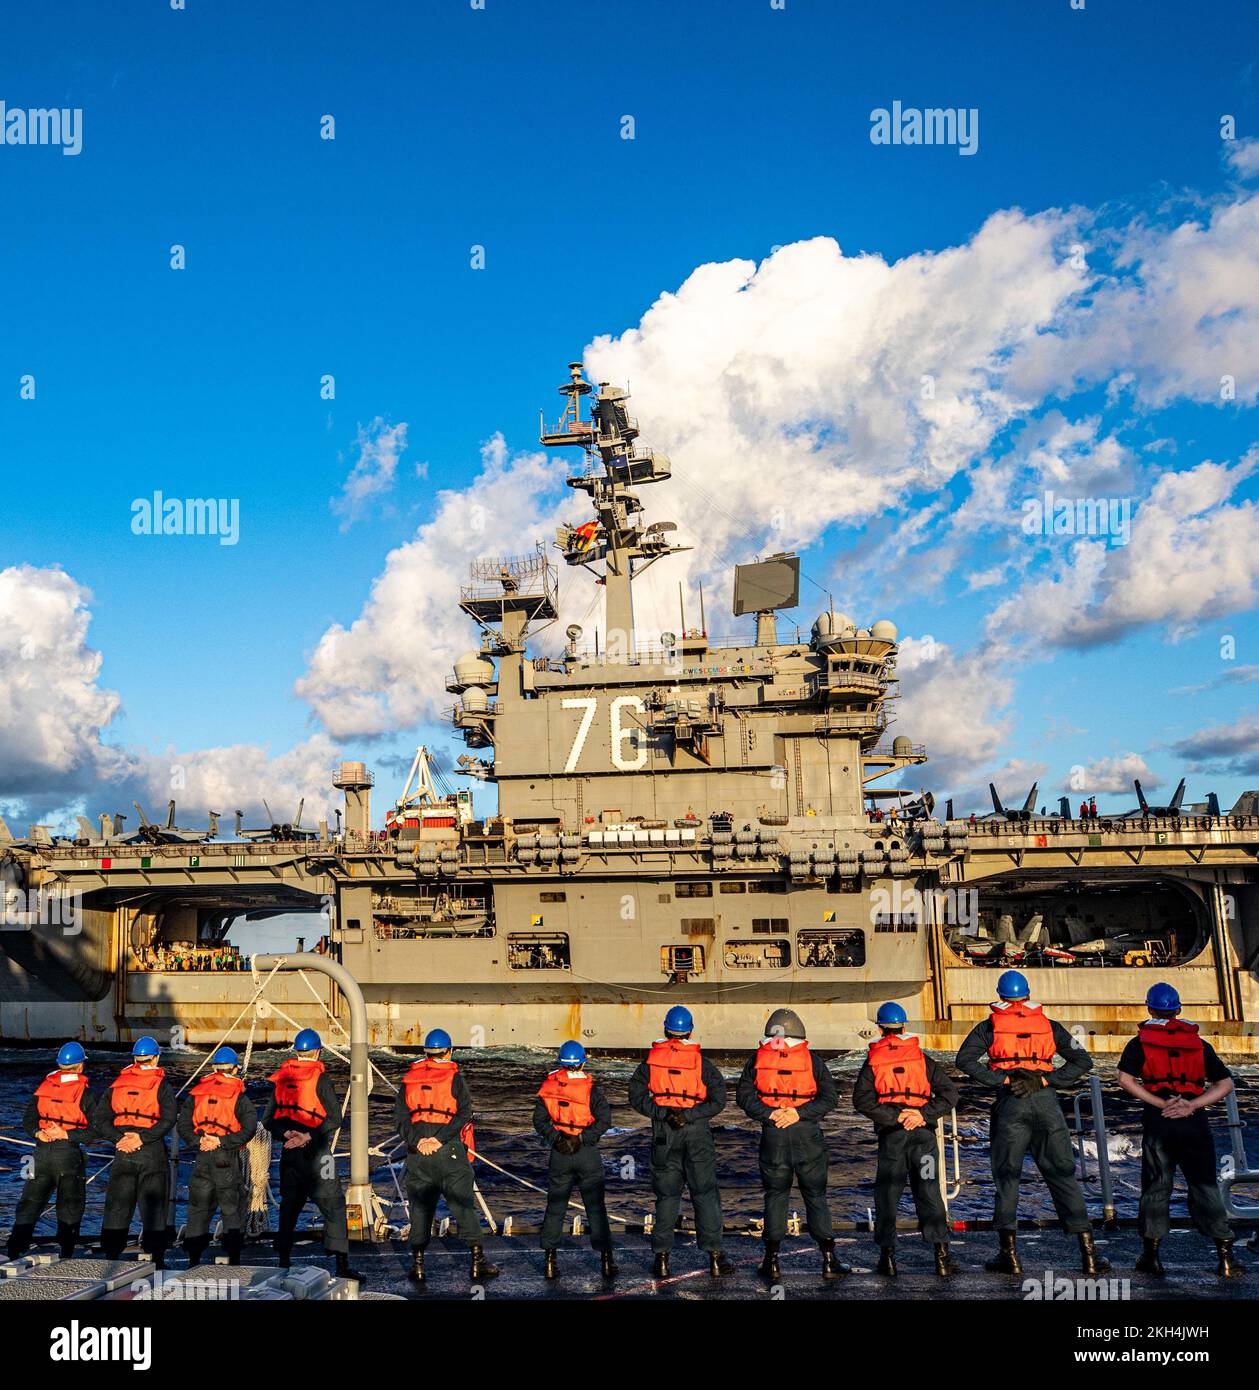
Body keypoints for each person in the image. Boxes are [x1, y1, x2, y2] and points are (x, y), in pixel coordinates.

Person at [957, 969, 1108, 1275]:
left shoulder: (989, 1027)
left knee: (1007, 1177)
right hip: (1046, 1103)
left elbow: (965, 1060)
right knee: (1063, 1175)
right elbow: (1082, 1061)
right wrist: (1045, 1079)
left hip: (1011, 1102)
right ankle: (1089, 1254)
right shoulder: (1049, 1026)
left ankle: (1009, 1256)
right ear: (1027, 995)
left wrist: (1004, 1078)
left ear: (1000, 996)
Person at [1117, 983, 1241, 1277]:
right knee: (1204, 1186)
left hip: (1160, 1121)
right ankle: (1225, 1256)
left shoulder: (1140, 1043)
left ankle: (1152, 1258)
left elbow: (1125, 1080)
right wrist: (1192, 1105)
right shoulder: (1198, 1044)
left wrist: (1160, 1102)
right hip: (1194, 1122)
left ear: (1150, 1009)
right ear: (1179, 1009)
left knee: (1156, 1187)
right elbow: (1225, 1084)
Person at [735, 1007, 846, 1281]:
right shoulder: (813, 1060)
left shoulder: (757, 1060)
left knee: (775, 1197)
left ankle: (771, 1262)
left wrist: (771, 1114)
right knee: (816, 1197)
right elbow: (830, 1098)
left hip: (773, 1135)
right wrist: (799, 1112)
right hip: (807, 1134)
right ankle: (829, 1261)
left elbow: (743, 1097)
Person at [852, 1003, 960, 1277]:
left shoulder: (874, 1060)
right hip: (922, 1138)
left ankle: (887, 1259)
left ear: (880, 1028)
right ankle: (942, 1259)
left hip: (893, 1140)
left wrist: (896, 1117)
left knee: (888, 1196)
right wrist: (921, 1114)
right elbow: (949, 1095)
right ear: (904, 1026)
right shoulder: (922, 1060)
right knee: (929, 1192)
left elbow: (861, 1100)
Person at [628, 1005, 732, 1278]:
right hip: (696, 1132)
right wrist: (689, 1115)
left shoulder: (650, 1061)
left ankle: (661, 1260)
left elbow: (636, 1097)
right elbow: (719, 1099)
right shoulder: (701, 1063)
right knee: (706, 1195)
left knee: (666, 1197)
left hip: (664, 1133)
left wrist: (665, 1113)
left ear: (665, 1029)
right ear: (690, 1030)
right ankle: (715, 1258)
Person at [395, 1028, 497, 1284]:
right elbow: (464, 1114)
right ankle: (477, 1262)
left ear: (425, 1053)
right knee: (463, 1206)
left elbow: (400, 1119)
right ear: (449, 1051)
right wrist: (439, 1139)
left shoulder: (409, 1078)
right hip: (448, 1149)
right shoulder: (454, 1078)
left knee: (419, 1209)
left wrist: (419, 1141)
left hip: (418, 1153)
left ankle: (418, 1265)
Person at [264, 1029, 361, 1281]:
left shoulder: (282, 1078)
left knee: (289, 1208)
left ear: (296, 1051)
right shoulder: (321, 1078)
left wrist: (288, 1135)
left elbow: (268, 1121)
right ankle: (341, 1264)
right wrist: (307, 1136)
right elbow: (334, 1119)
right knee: (334, 1206)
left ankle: (283, 1261)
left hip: (289, 1155)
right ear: (318, 1051)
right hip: (318, 1155)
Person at [6, 1042, 97, 1260]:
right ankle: (66, 1252)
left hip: (40, 1153)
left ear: (59, 1064)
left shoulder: (44, 1088)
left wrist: (39, 1132)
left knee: (29, 1202)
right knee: (70, 1206)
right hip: (67, 1155)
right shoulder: (85, 1093)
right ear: (80, 1067)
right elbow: (95, 1132)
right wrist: (67, 1134)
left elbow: (28, 1120)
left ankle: (15, 1249)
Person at [534, 1040, 616, 1281]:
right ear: (582, 1062)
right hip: (586, 1152)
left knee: (555, 1207)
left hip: (559, 1152)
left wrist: (557, 1139)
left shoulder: (549, 1086)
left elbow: (539, 1121)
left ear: (560, 1062)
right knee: (595, 1208)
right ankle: (606, 1262)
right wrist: (582, 1138)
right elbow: (604, 1121)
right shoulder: (593, 1091)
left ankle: (549, 1262)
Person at [97, 1036, 177, 1267]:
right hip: (151, 1151)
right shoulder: (161, 1084)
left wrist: (119, 1139)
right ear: (155, 1058)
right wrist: (142, 1137)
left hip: (123, 1151)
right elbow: (169, 1118)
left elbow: (101, 1119)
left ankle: (111, 1256)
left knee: (117, 1205)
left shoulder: (117, 1084)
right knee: (154, 1206)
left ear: (134, 1058)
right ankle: (157, 1259)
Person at [178, 1046, 257, 1267]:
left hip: (202, 1156)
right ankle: (233, 1258)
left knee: (198, 1209)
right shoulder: (237, 1094)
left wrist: (199, 1141)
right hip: (225, 1157)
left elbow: (183, 1124)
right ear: (234, 1068)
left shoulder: (198, 1093)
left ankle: (193, 1259)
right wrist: (222, 1141)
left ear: (213, 1067)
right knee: (232, 1208)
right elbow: (249, 1127)